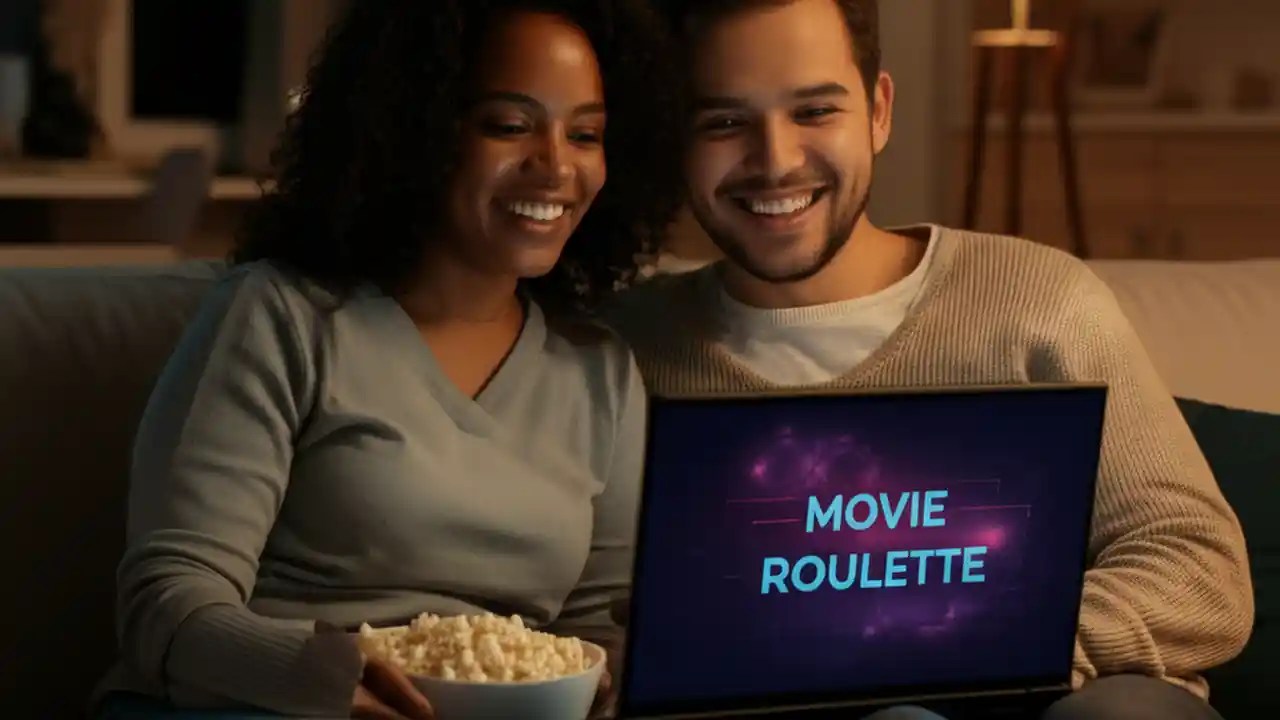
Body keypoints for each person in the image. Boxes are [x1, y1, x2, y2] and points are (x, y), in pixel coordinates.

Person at [606, 1, 1253, 719]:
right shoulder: (621, 351)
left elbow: (1199, 567)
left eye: (816, 111)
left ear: (878, 111)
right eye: (723, 122)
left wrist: (957, 643)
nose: (777, 161)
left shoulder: (1038, 299)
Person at [92, 1, 683, 718]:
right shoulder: (283, 317)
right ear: (419, 130)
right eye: (509, 125)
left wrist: (609, 683)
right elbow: (167, 603)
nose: (556, 165)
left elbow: (596, 624)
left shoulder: (600, 372)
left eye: (585, 133)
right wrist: (321, 682)